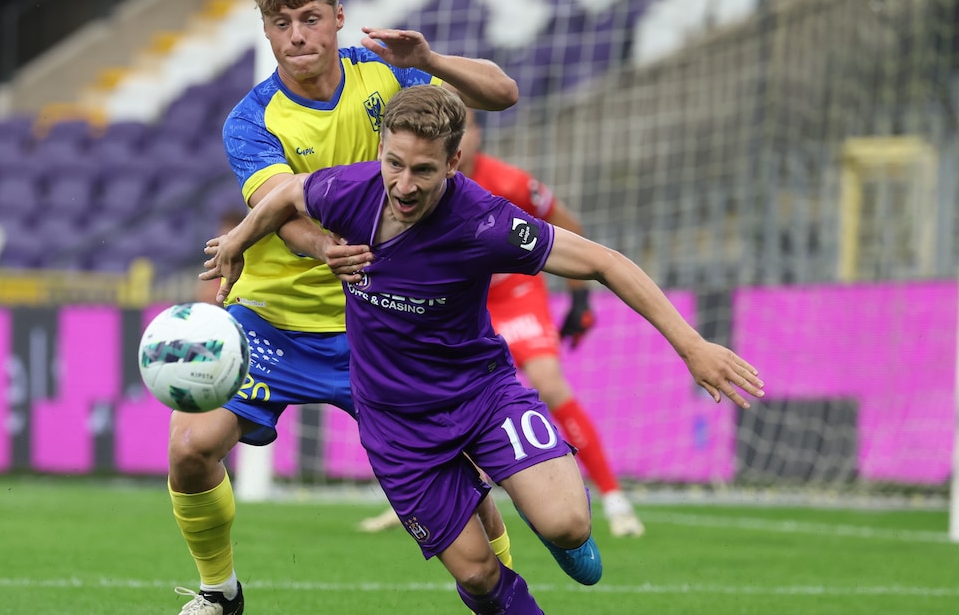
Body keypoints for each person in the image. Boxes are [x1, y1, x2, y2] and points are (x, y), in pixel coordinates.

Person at [203, 84, 764, 613]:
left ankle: (562, 533)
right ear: (380, 150)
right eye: (394, 164)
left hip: (482, 396)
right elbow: (285, 196)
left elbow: (604, 261)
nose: (403, 185)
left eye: (423, 170)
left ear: (452, 163)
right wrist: (236, 243)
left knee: (567, 523)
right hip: (394, 424)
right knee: (476, 575)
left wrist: (690, 346)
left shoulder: (485, 222)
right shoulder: (347, 190)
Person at [168, 0, 521, 613]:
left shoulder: (386, 73)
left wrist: (433, 60)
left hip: (381, 327)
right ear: (267, 34)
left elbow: (501, 93)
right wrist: (325, 247)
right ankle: (220, 593)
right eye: (282, 24)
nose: (298, 35)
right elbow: (279, 206)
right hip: (272, 320)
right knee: (191, 448)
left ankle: (502, 597)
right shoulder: (252, 119)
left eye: (310, 19)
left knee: (461, 480)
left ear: (337, 20)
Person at [356, 109, 645, 538]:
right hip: (460, 307)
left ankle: (614, 498)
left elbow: (568, 225)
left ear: (468, 138)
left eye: (471, 127)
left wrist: (580, 297)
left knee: (548, 382)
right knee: (438, 390)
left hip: (515, 297)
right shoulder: (401, 189)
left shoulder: (510, 183)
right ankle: (430, 498)